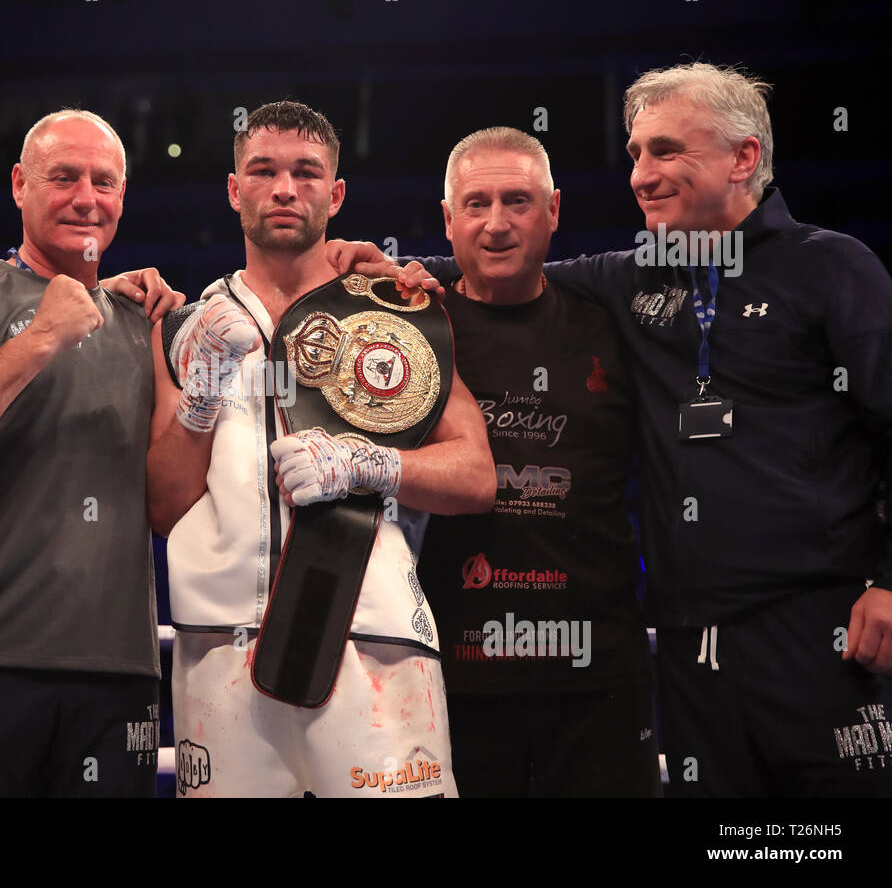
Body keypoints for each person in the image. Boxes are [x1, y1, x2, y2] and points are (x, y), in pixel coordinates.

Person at [332, 63, 892, 797]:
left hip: (821, 627)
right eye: (635, 154)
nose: (642, 174)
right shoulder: (635, 278)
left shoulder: (833, 269)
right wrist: (393, 269)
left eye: (666, 151)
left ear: (744, 156)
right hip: (690, 642)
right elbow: (511, 262)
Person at [147, 101, 496, 798]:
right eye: (263, 170)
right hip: (221, 647)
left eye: (306, 173)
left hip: (374, 637)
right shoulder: (184, 327)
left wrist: (371, 465)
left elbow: (477, 475)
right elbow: (163, 506)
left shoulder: (397, 311)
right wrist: (202, 396)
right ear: (233, 189)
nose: (284, 189)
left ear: (335, 194)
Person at [0, 110, 182, 798]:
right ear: (21, 185)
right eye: (64, 177)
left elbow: (170, 504)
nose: (87, 196)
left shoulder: (148, 324)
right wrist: (41, 337)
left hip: (119, 673)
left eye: (104, 182)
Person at [414, 127, 657, 797]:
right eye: (477, 203)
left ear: (553, 210)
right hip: (454, 671)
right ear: (448, 218)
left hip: (597, 671)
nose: (496, 224)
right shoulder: (408, 328)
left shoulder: (614, 324)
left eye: (517, 201)